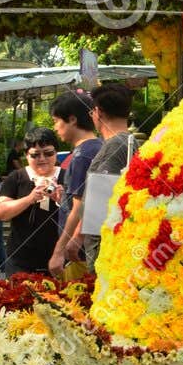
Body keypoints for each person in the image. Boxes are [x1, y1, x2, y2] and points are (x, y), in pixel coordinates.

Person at [80, 82, 135, 267]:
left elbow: (99, 201)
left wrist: (76, 237)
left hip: (104, 248)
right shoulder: (130, 142)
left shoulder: (115, 145)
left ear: (98, 112)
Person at [0, 127, 64, 275]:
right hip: (20, 260)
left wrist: (62, 201)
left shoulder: (67, 176)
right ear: (26, 155)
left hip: (59, 259)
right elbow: (0, 213)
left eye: (48, 153)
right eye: (35, 155)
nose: (42, 159)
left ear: (56, 153)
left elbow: (81, 214)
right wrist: (29, 199)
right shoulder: (16, 177)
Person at [48, 90, 100, 276]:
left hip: (80, 254)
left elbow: (81, 207)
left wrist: (59, 250)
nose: (55, 127)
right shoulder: (99, 147)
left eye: (56, 121)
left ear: (72, 119)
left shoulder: (82, 155)